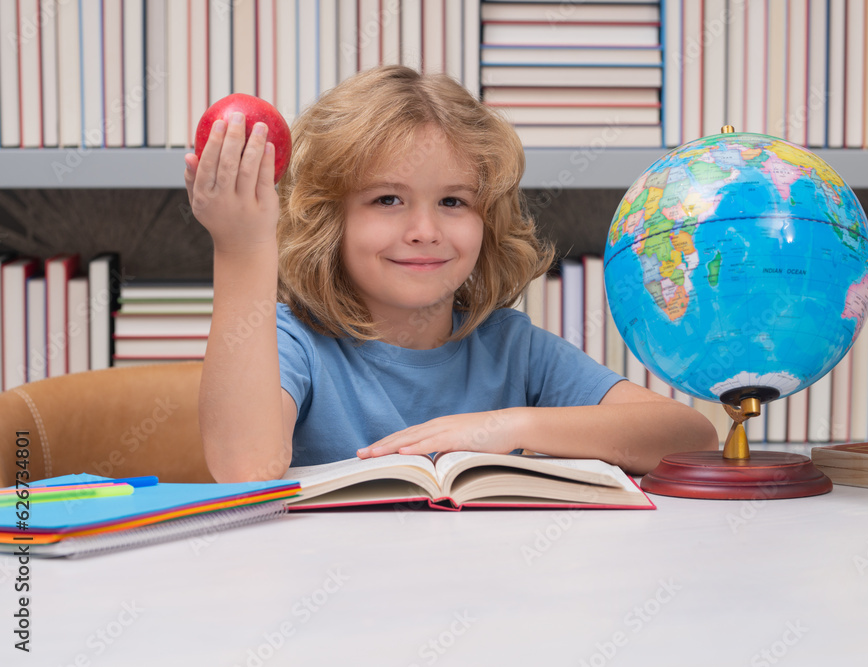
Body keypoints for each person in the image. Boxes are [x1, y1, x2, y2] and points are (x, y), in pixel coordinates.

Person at [184, 65, 718, 484]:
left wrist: (509, 426)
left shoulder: (511, 347)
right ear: (331, 219)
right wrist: (241, 247)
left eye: (453, 201)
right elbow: (245, 467)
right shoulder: (293, 341)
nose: (424, 230)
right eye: (387, 199)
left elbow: (689, 436)